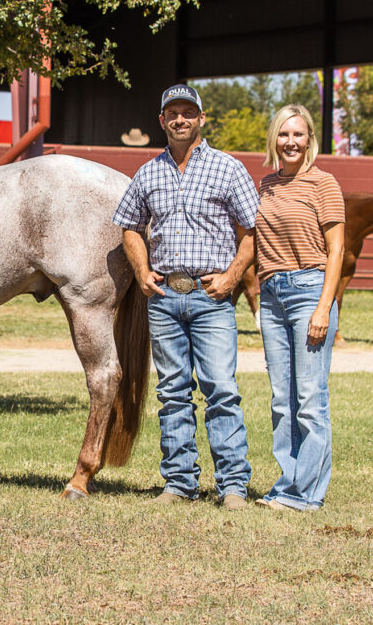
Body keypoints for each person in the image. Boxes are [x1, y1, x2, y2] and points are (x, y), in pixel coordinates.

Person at [113, 84, 259, 510]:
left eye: (188, 112)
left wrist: (232, 278)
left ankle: (232, 486)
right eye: (172, 113)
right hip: (163, 297)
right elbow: (128, 225)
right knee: (173, 391)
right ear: (162, 120)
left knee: (221, 389)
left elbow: (252, 231)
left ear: (201, 118)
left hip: (210, 296)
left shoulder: (228, 168)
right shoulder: (149, 172)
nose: (180, 119)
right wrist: (141, 271)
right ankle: (179, 483)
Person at [254, 105, 344, 511]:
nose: (290, 142)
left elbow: (337, 249)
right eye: (283, 135)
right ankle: (288, 484)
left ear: (310, 139)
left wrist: (324, 307)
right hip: (272, 294)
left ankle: (307, 494)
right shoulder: (266, 185)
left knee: (309, 398)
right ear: (274, 139)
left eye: (298, 135)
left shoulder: (323, 184)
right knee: (281, 399)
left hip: (310, 289)